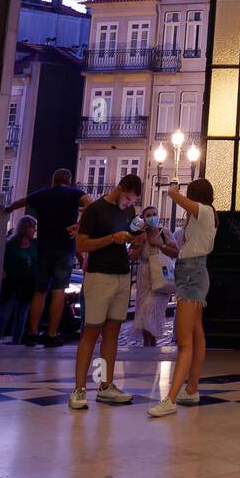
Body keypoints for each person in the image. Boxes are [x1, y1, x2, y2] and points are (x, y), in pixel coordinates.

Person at [69, 174, 144, 410]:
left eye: (133, 203)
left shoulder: (129, 213)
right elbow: (81, 245)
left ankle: (105, 385)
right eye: (128, 200)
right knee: (91, 332)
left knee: (112, 333)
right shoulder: (95, 210)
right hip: (100, 276)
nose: (129, 205)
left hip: (122, 275)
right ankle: (80, 389)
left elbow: (130, 242)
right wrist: (112, 238)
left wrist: (136, 243)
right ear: (120, 189)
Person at [148, 178, 218, 416]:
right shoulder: (203, 218)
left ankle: (170, 399)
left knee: (184, 340)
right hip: (192, 272)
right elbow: (184, 251)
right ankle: (191, 388)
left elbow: (175, 196)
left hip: (192, 276)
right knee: (196, 333)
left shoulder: (205, 211)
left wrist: (174, 190)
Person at [5, 168, 90, 347]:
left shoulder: (43, 194)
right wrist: (79, 225)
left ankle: (33, 332)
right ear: (69, 180)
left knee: (40, 291)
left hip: (44, 248)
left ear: (53, 180)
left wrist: (8, 208)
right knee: (58, 291)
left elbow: (21, 202)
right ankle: (51, 334)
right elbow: (90, 204)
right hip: (65, 249)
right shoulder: (75, 193)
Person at [136, 204, 182, 347]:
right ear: (143, 219)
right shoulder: (139, 235)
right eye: (148, 215)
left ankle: (152, 342)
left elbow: (176, 253)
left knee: (150, 309)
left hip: (162, 275)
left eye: (154, 214)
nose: (151, 217)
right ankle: (148, 343)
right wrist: (140, 241)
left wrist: (160, 244)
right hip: (144, 277)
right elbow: (132, 256)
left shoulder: (164, 232)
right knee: (143, 311)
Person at [0, 215, 37, 344]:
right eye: (32, 228)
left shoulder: (35, 244)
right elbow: (1, 260)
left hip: (28, 282)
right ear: (25, 229)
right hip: (13, 282)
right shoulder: (10, 245)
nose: (34, 231)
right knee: (6, 312)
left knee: (22, 314)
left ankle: (16, 341)